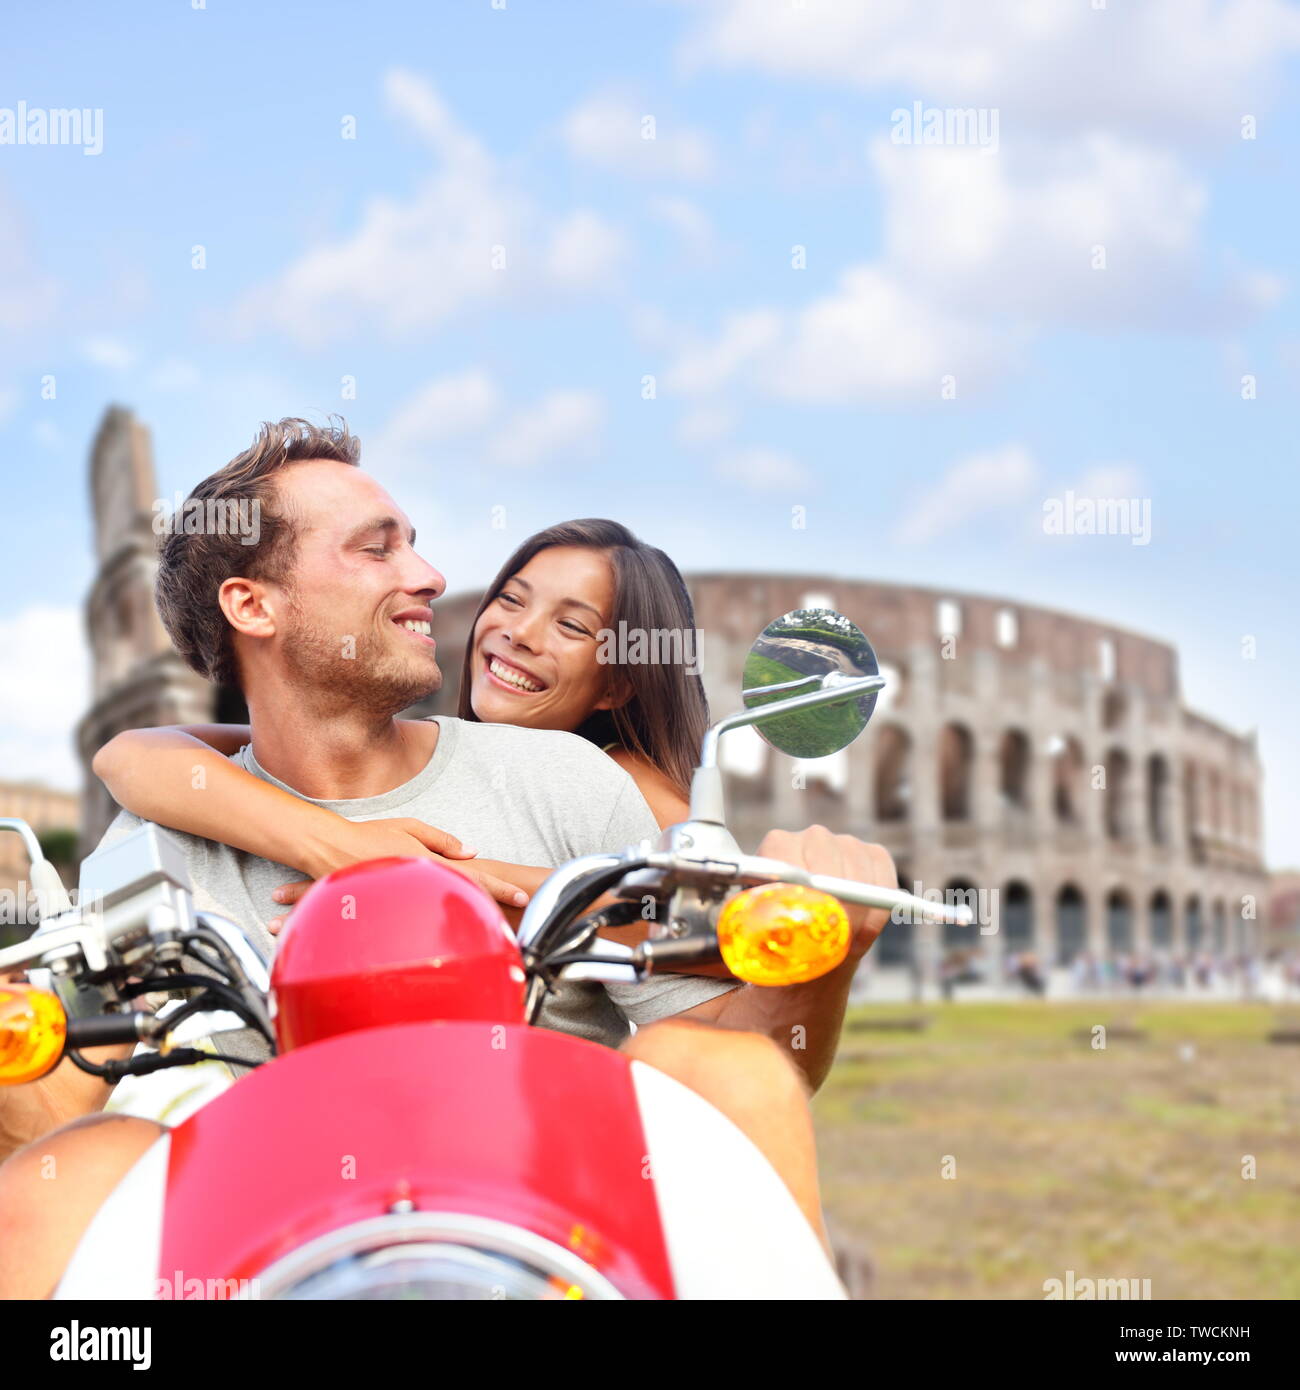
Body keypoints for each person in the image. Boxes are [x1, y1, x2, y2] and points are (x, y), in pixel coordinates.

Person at [0, 417, 896, 1296]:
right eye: (375, 549)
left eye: (415, 546)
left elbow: (748, 1075)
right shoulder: (152, 835)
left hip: (557, 1239)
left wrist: (826, 961)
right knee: (84, 1164)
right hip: (275, 1252)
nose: (429, 577)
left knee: (712, 1066)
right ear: (252, 605)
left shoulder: (565, 779)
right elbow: (52, 1105)